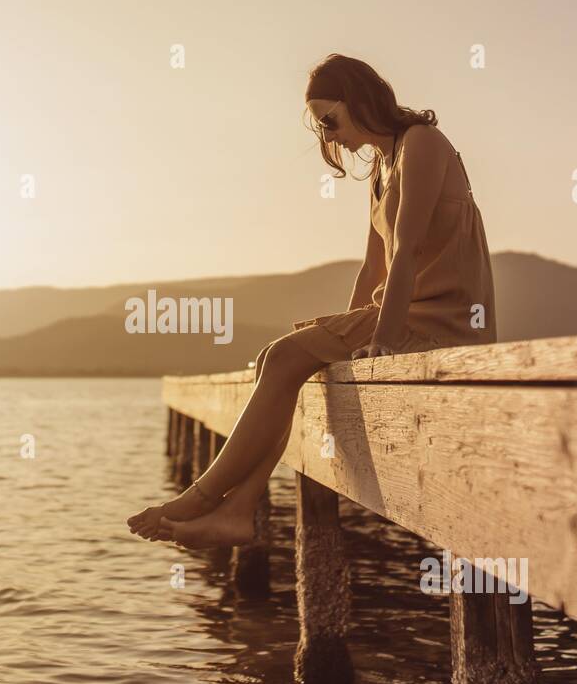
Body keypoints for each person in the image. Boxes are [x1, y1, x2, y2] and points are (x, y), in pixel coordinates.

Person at [128, 53, 497, 549]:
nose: (328, 136)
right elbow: (374, 269)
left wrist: (382, 343)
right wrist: (340, 336)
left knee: (284, 356)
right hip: (403, 312)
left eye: (330, 120)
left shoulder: (422, 144)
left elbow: (407, 249)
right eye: (320, 126)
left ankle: (202, 497)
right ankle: (239, 510)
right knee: (275, 360)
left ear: (361, 100)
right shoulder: (382, 170)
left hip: (442, 322)